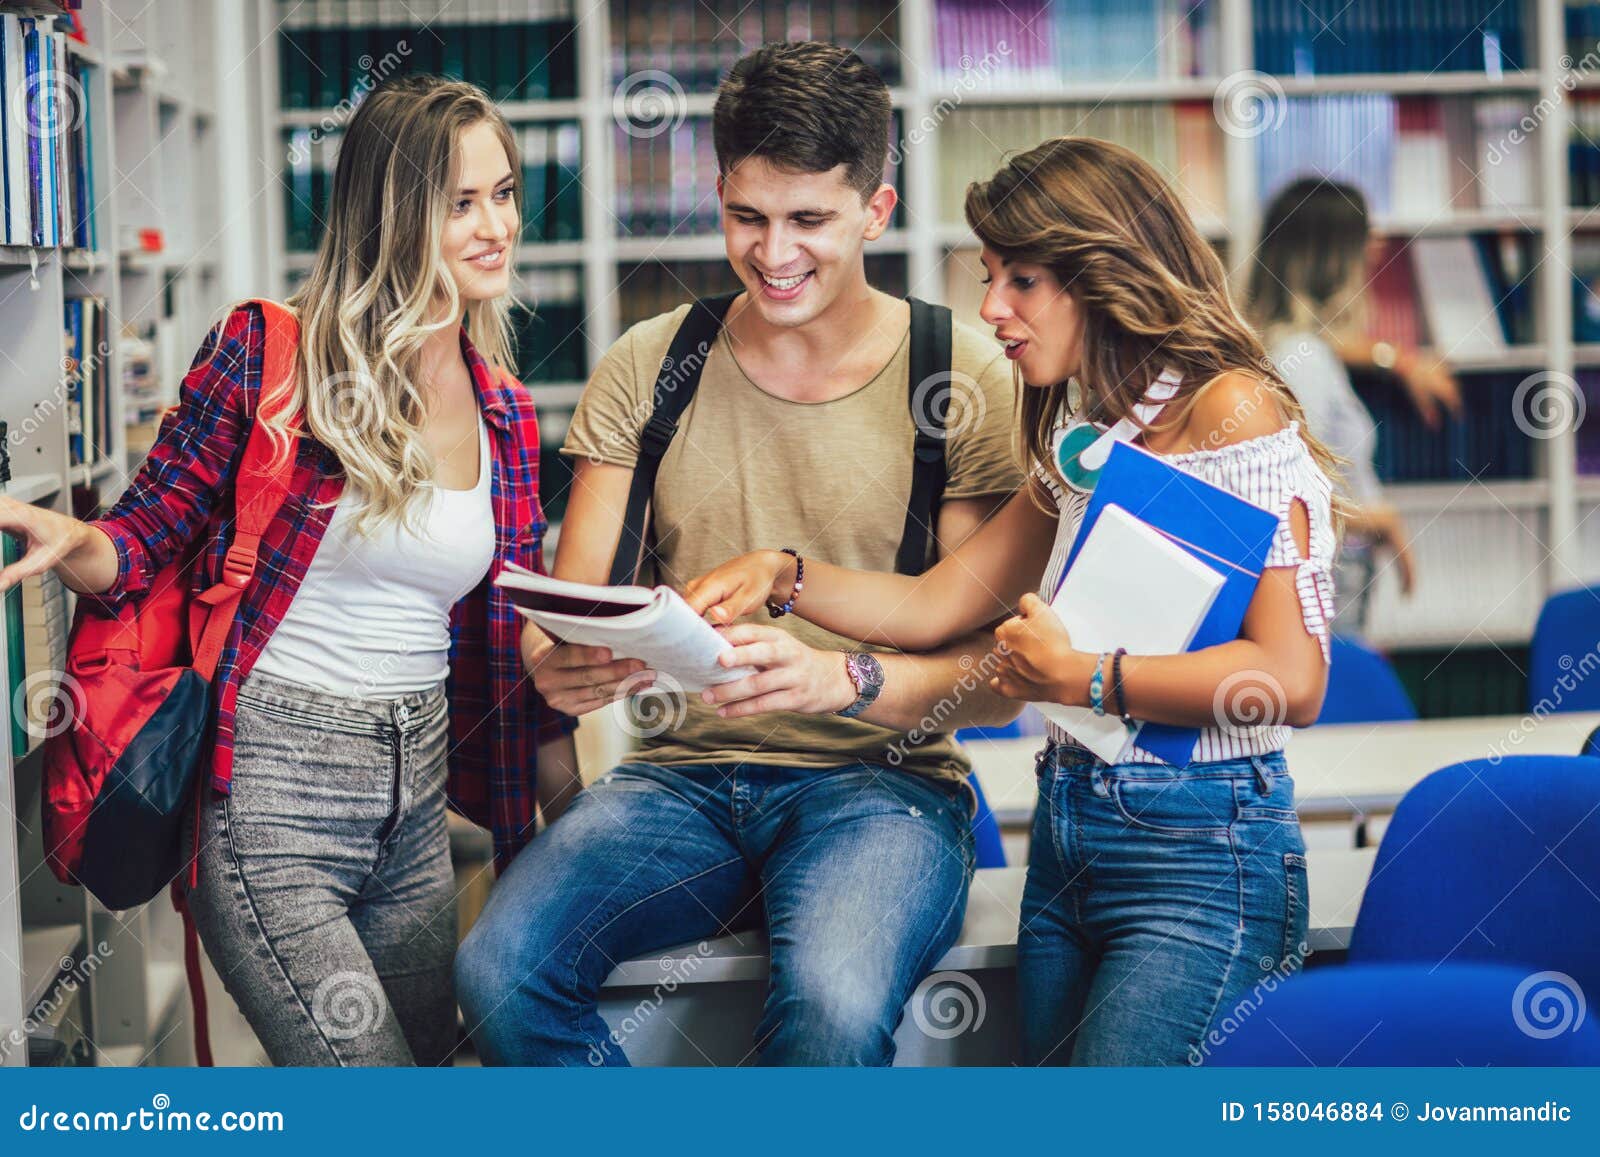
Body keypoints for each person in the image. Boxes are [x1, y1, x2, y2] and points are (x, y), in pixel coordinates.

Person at [687, 136, 1341, 1066]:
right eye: (990, 276)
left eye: (1022, 281)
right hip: (1072, 832)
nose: (991, 309)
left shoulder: (1234, 409)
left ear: (1106, 272)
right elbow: (935, 601)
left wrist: (1083, 675)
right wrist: (783, 574)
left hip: (1202, 848)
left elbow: (1290, 679)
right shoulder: (1089, 435)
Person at [453, 42, 1025, 1066]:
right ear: (717, 192)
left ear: (876, 209)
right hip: (679, 781)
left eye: (809, 220)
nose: (773, 253)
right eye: (746, 216)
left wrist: (829, 678)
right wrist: (565, 662)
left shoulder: (960, 372)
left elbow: (989, 683)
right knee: (498, 971)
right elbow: (568, 612)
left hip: (880, 783)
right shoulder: (651, 362)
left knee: (833, 1009)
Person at [0, 75, 576, 1066]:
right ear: (393, 212)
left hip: (419, 806)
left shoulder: (508, 411)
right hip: (272, 803)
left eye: (507, 192)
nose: (500, 226)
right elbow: (141, 540)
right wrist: (67, 536)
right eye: (462, 202)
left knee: (430, 1070)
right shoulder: (273, 355)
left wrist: (571, 815)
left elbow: (508, 640)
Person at [1246, 176, 1434, 632]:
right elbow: (1281, 499)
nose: (1376, 248)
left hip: (1330, 596)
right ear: (1330, 258)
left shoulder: (1301, 350)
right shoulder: (1299, 361)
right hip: (1319, 607)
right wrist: (1379, 520)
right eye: (1364, 238)